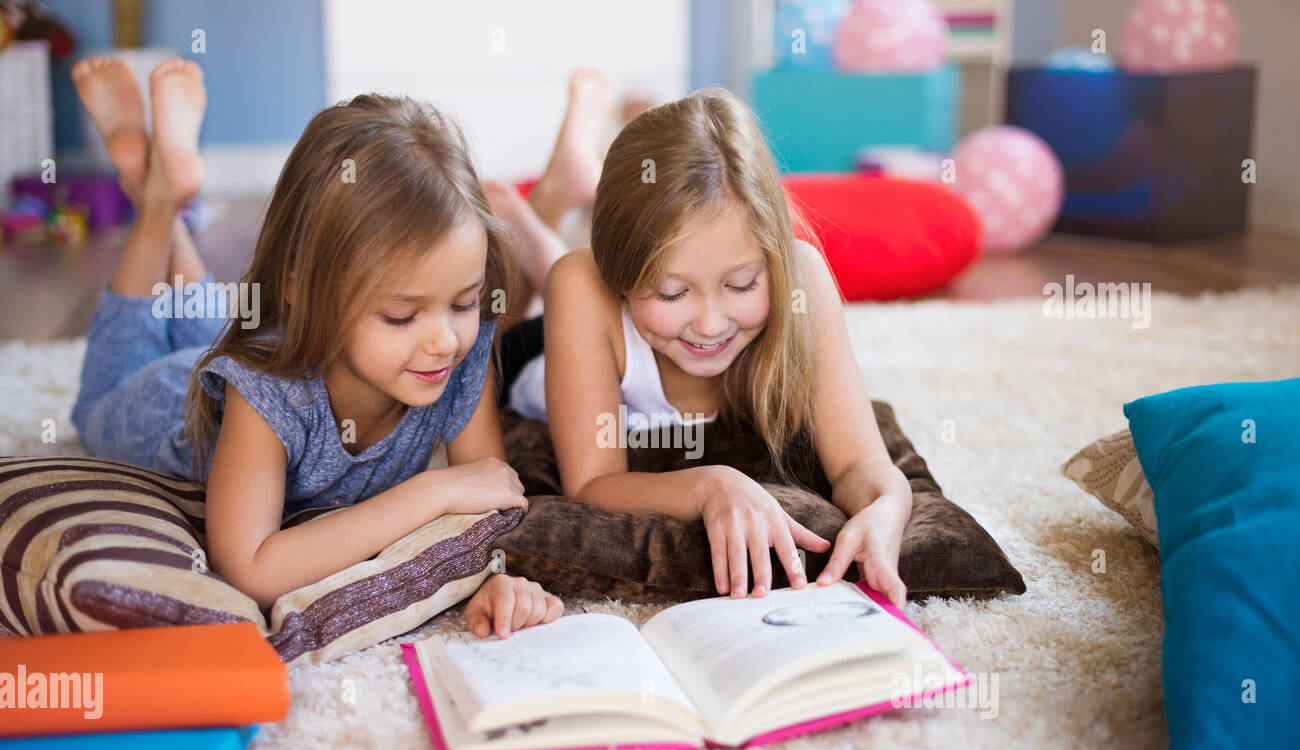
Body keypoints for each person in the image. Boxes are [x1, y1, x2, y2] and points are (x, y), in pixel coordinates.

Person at [67, 56, 562, 639]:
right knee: (115, 376)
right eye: (401, 315)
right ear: (302, 288)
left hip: (241, 354)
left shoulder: (461, 353)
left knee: (206, 330)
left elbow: (486, 501)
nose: (445, 340)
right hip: (158, 401)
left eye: (463, 302)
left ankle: (163, 185)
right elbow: (248, 566)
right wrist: (430, 490)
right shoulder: (267, 394)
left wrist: (498, 579)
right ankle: (156, 205)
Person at [500, 88, 912, 605]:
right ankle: (544, 201)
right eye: (672, 292)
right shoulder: (585, 287)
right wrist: (710, 484)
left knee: (564, 268)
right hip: (543, 353)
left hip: (611, 313)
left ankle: (589, 161)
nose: (711, 325)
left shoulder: (802, 274)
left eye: (741, 285)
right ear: (621, 277)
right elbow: (592, 483)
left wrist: (886, 509)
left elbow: (860, 463)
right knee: (522, 297)